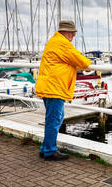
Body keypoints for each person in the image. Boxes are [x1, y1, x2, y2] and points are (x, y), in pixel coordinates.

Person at [34, 20, 93, 161]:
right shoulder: (63, 43)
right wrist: (90, 64)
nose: (73, 35)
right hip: (54, 87)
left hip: (50, 85)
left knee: (55, 118)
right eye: (72, 32)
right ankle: (49, 151)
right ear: (65, 32)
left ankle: (45, 148)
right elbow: (82, 61)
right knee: (54, 119)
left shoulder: (55, 41)